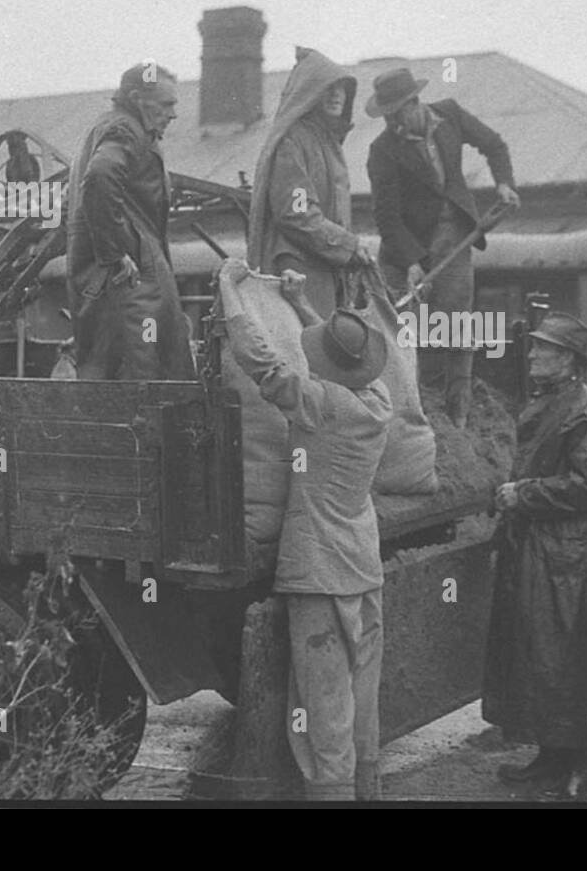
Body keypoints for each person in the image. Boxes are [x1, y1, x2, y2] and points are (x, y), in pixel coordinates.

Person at [223, 265, 393, 801]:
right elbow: (345, 355)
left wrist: (229, 288)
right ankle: (369, 791)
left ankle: (333, 796)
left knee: (324, 710)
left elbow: (261, 363)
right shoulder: (378, 402)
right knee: (362, 697)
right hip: (363, 569)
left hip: (319, 576)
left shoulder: (323, 405)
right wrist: (301, 304)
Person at [482, 312, 587, 801]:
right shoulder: (551, 402)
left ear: (568, 361)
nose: (533, 354)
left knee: (579, 663)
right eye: (535, 347)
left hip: (575, 562)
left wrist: (525, 494)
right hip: (545, 553)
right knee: (542, 662)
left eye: (544, 349)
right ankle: (551, 759)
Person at [365, 67, 519, 426]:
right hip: (407, 245)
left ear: (416, 103)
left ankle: (457, 421)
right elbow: (386, 219)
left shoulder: (449, 113)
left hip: (455, 235)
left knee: (457, 326)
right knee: (411, 330)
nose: (394, 124)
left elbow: (494, 145)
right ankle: (416, 415)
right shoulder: (382, 151)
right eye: (387, 118)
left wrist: (505, 184)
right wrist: (413, 262)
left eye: (398, 114)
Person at [66, 62, 195, 380]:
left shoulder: (122, 129)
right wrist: (115, 252)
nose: (173, 114)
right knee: (141, 373)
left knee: (131, 368)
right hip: (131, 286)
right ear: (138, 99)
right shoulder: (124, 130)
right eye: (167, 104)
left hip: (130, 281)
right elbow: (99, 177)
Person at [247, 47, 371, 318]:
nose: (337, 94)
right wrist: (348, 245)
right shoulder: (294, 141)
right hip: (300, 269)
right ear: (310, 93)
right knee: (313, 350)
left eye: (341, 88)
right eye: (327, 88)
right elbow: (297, 211)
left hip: (325, 268)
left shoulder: (327, 142)